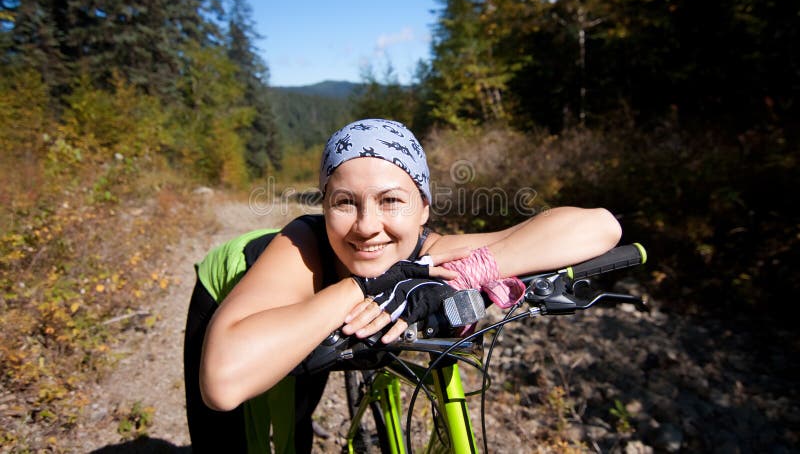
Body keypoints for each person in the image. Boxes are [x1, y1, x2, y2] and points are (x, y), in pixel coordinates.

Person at [184, 118, 622, 453]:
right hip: (230, 281)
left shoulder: (430, 249)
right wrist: (368, 287)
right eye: (344, 203)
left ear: (423, 209)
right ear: (323, 205)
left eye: (391, 200)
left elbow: (599, 226)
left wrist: (477, 269)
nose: (367, 227)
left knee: (296, 412)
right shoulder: (305, 242)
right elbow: (222, 384)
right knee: (230, 439)